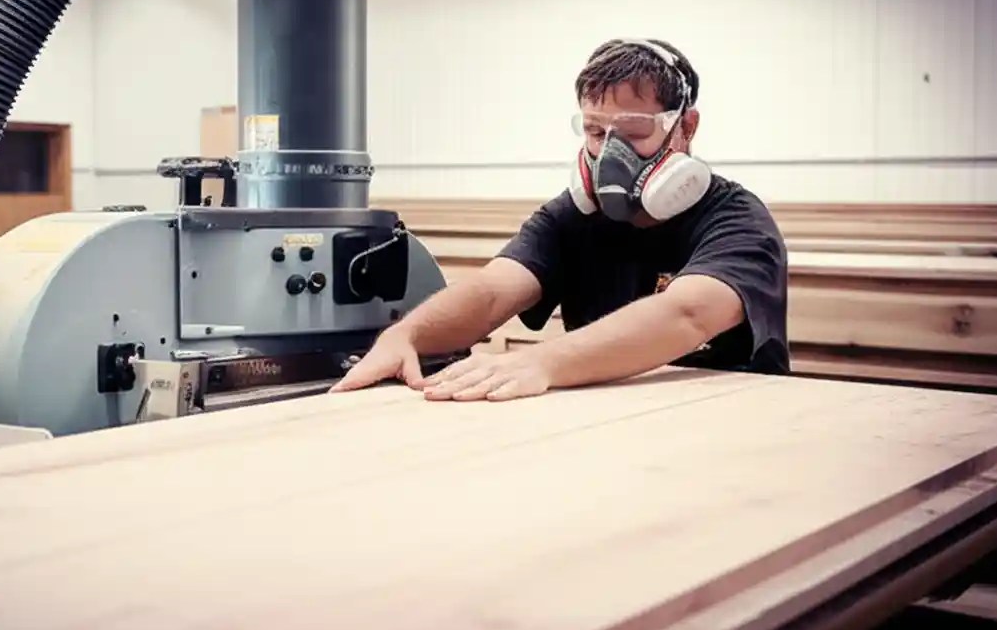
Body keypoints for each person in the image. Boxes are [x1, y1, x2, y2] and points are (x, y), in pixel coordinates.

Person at [331, 38, 789, 401]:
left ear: (686, 127)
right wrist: (407, 336)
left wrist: (543, 362)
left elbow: (686, 314)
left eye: (634, 133)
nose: (612, 153)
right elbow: (492, 292)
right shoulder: (573, 218)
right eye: (595, 132)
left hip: (723, 422)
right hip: (601, 422)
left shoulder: (738, 221)